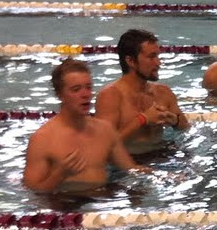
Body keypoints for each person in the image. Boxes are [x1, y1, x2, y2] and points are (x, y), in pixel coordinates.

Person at [24, 59, 143, 192]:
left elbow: (132, 170)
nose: (86, 94)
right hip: (65, 205)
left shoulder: (105, 130)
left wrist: (166, 177)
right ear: (60, 94)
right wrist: (59, 175)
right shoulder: (42, 139)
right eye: (76, 89)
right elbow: (33, 192)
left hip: (103, 202)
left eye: (88, 87)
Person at [95, 28, 188, 153]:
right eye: (151, 57)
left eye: (158, 56)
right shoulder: (110, 96)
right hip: (127, 165)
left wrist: (175, 121)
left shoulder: (163, 92)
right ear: (131, 61)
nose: (158, 63)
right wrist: (142, 119)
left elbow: (186, 129)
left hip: (164, 157)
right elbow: (103, 147)